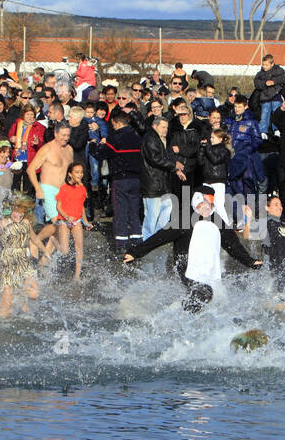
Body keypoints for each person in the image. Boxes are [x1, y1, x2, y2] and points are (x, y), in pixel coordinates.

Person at [124, 187, 263, 313]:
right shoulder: (184, 219)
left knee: (218, 298)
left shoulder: (217, 220)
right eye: (208, 202)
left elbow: (233, 245)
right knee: (204, 292)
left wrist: (250, 261)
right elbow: (160, 237)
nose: (211, 206)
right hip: (187, 267)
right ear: (198, 201)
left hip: (208, 269)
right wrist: (135, 253)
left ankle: (182, 310)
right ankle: (184, 316)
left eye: (213, 203)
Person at [101, 108, 143, 252]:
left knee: (120, 211)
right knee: (134, 211)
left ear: (117, 123)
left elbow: (101, 154)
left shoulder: (115, 138)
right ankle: (137, 241)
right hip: (136, 179)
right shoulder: (137, 137)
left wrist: (96, 144)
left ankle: (121, 244)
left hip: (120, 179)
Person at [141, 116, 181, 239]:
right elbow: (155, 159)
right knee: (152, 214)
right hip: (152, 182)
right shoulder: (150, 139)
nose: (165, 130)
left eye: (167, 128)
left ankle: (158, 237)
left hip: (162, 182)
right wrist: (174, 167)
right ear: (155, 126)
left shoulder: (159, 138)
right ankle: (147, 239)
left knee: (166, 209)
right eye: (163, 127)